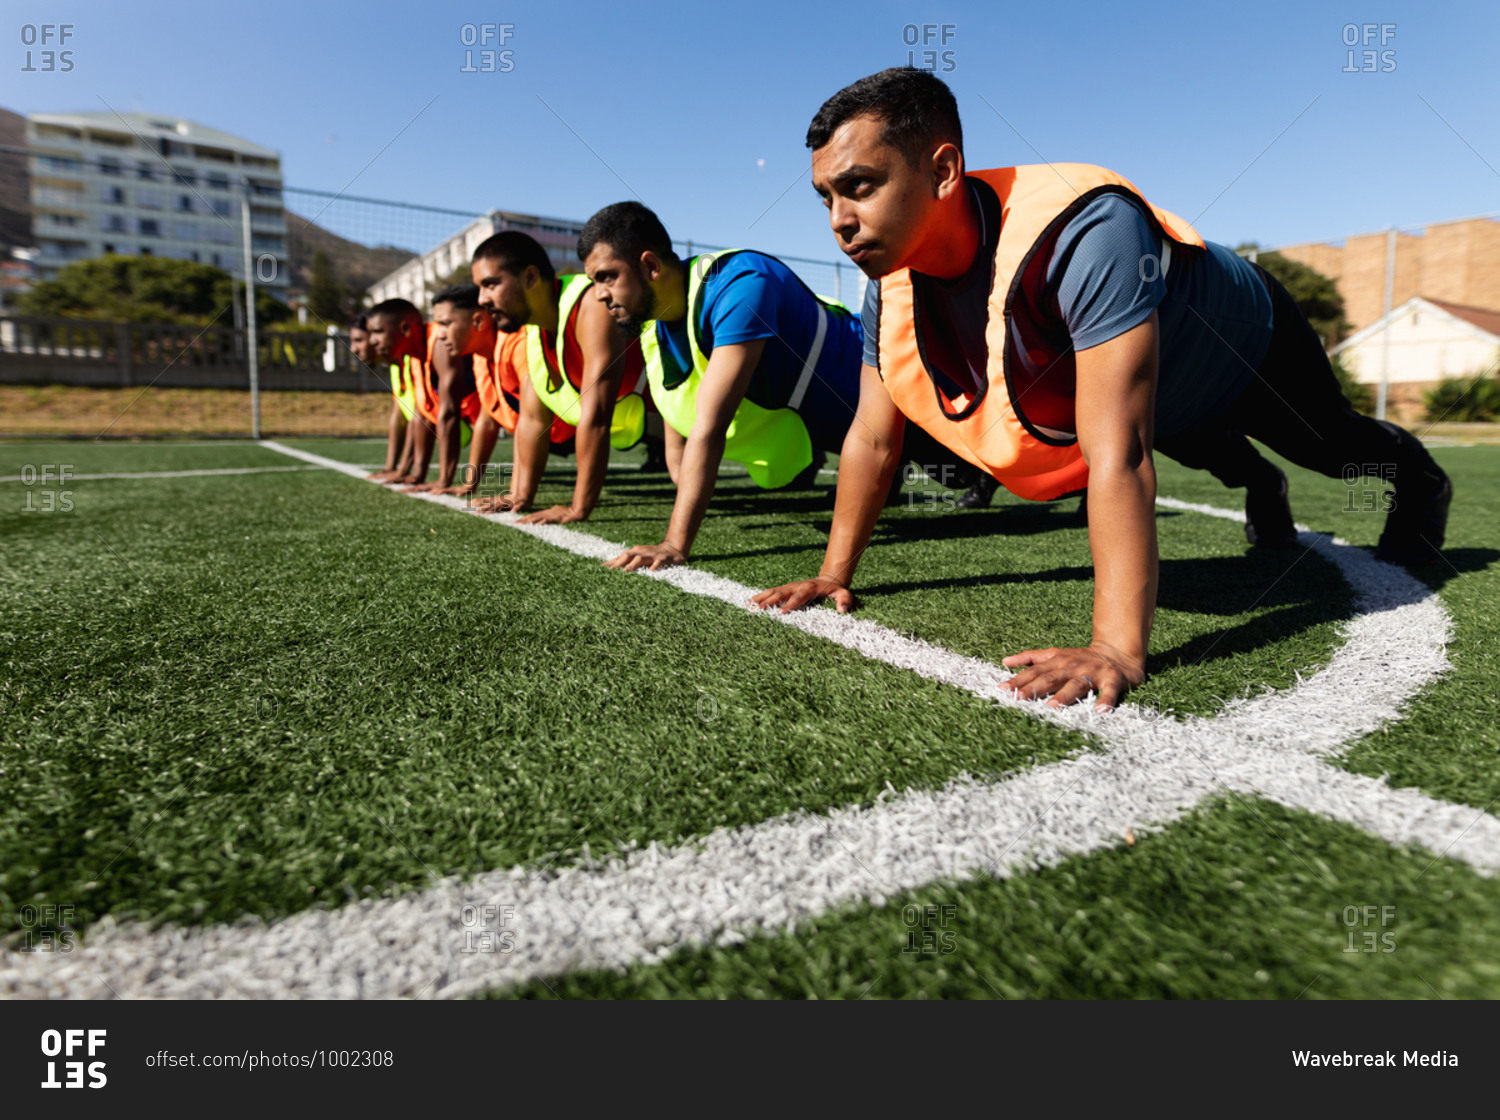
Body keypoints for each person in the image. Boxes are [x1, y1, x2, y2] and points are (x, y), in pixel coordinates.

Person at [753, 67, 1451, 712]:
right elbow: (874, 435)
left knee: (1325, 444)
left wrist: (1116, 647)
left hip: (1243, 340)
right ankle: (1261, 486)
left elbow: (1117, 455)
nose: (839, 219)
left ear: (942, 170)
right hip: (1169, 390)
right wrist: (832, 572)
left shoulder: (1084, 229)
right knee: (1195, 438)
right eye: (827, 197)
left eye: (861, 185)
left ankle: (1421, 483)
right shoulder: (892, 286)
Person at [580, 202, 966, 572]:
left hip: (893, 396)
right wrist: (685, 482)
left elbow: (710, 425)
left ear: (649, 265)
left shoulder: (739, 283)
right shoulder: (657, 323)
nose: (598, 294)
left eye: (607, 277)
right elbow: (677, 409)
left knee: (969, 470)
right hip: (827, 426)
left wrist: (674, 543)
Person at [466, 230, 650, 523]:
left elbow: (597, 416)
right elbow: (532, 419)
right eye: (479, 287)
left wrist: (578, 508)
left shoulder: (591, 305)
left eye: (491, 284)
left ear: (529, 277)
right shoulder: (533, 329)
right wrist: (519, 495)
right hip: (653, 424)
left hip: (682, 417)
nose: (482, 299)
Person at [364, 299, 427, 484]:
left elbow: (420, 416)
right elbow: (401, 417)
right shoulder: (396, 367)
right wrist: (393, 468)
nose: (371, 342)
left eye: (376, 332)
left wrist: (407, 471)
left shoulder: (412, 358)